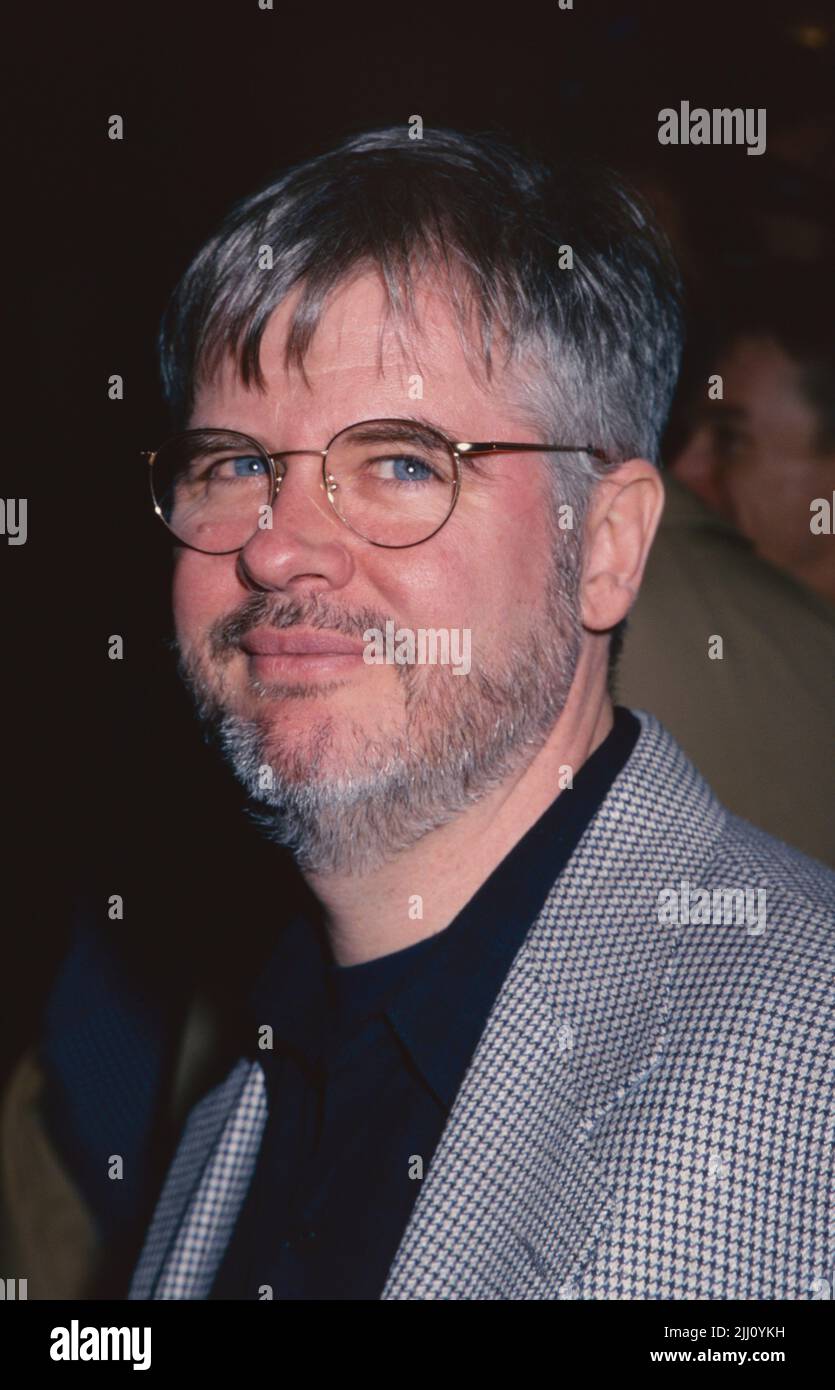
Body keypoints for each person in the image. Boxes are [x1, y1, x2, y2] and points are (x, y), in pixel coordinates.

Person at [14, 127, 835, 1302]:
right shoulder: (241, 1095)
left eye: (402, 463)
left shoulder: (803, 1079)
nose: (279, 544)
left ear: (605, 545)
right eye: (233, 464)